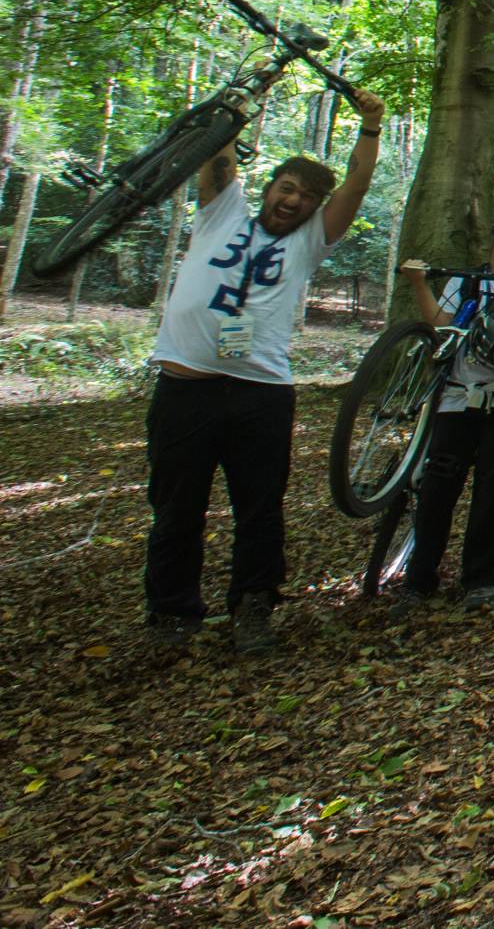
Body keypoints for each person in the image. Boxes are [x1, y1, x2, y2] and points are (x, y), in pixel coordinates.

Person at [143, 88, 388, 653]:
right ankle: (171, 613)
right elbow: (216, 157)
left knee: (259, 508)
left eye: (306, 197)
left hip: (261, 394)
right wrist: (235, 110)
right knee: (176, 506)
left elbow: (356, 184)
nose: (294, 201)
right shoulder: (221, 213)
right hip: (185, 390)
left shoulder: (309, 242)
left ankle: (253, 607)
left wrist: (371, 126)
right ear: (269, 187)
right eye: (287, 188)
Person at [394, 206, 494, 611]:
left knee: (493, 491)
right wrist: (419, 283)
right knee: (437, 489)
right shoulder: (465, 279)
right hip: (456, 396)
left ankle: (480, 577)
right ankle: (419, 579)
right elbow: (441, 324)